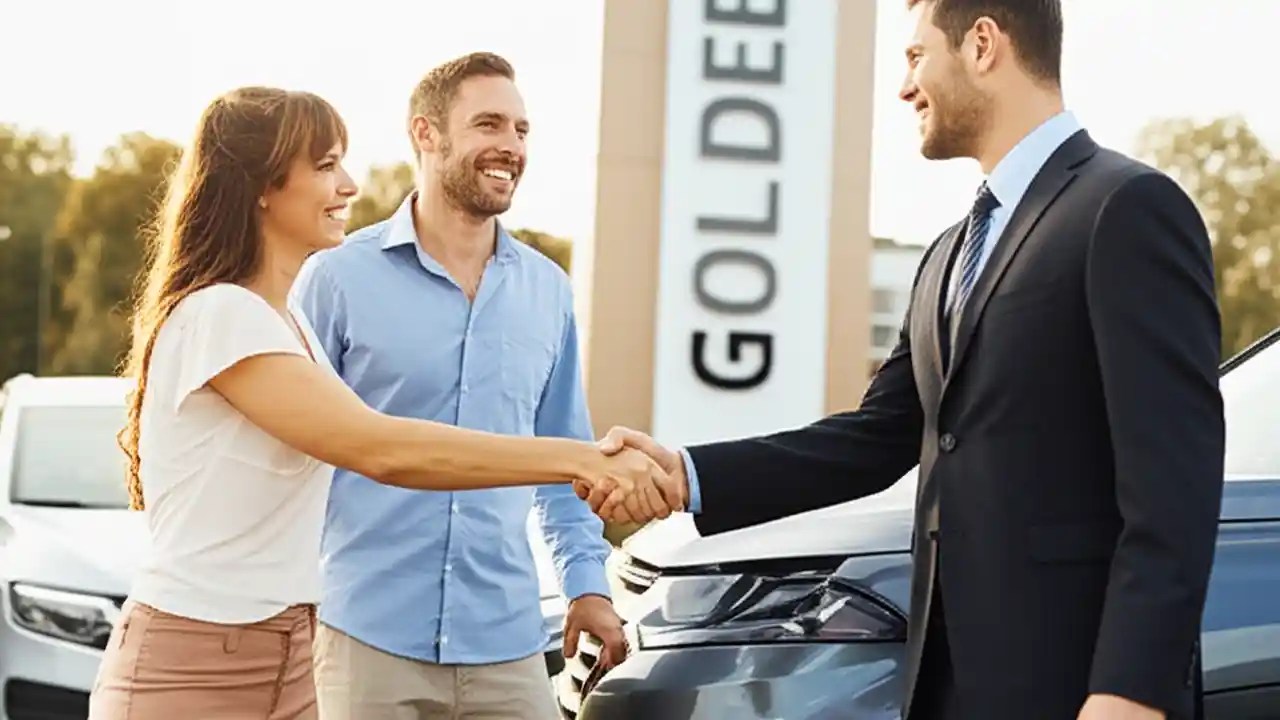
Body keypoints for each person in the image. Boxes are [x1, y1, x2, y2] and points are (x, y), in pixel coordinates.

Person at [594, 1, 1225, 718]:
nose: (904, 86)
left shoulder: (1129, 207)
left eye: (915, 56)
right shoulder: (948, 254)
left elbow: (1176, 491)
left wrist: (1130, 693)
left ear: (983, 43)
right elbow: (874, 439)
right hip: (946, 685)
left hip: (1078, 689)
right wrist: (685, 475)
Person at [88, 86, 675, 720]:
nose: (348, 185)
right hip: (193, 667)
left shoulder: (288, 325)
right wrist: (584, 460)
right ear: (261, 185)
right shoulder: (222, 314)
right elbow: (383, 448)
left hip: (287, 656)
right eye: (324, 166)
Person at [289, 51, 659, 720]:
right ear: (425, 134)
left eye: (521, 130)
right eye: (489, 124)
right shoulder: (335, 278)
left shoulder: (547, 290)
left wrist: (586, 587)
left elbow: (564, 459)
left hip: (509, 645)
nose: (511, 147)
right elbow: (293, 454)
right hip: (362, 638)